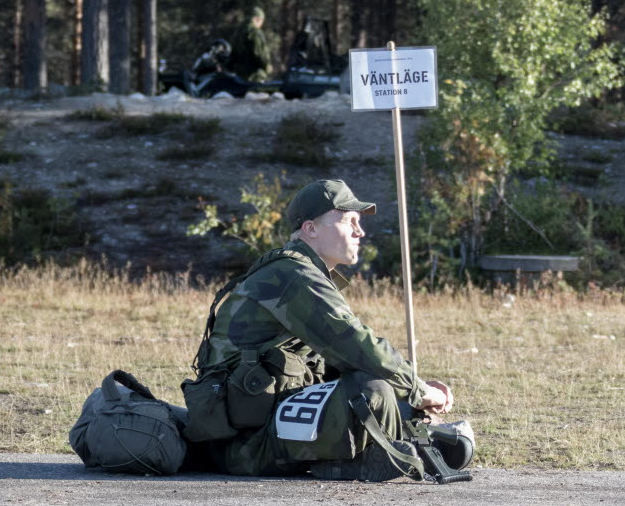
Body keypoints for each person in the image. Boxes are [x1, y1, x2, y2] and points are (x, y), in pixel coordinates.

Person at [183, 179, 473, 481]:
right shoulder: (293, 276)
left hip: (261, 429)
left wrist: (412, 390)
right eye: (349, 221)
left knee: (387, 391)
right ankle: (359, 459)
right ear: (311, 229)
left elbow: (344, 358)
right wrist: (419, 390)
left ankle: (400, 444)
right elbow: (357, 346)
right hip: (243, 447)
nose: (359, 232)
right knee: (372, 391)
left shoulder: (301, 272)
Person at [229, 6, 275, 83]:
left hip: (239, 78)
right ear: (257, 19)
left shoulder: (238, 32)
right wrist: (267, 67)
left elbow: (232, 55)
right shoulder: (255, 32)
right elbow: (260, 54)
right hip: (254, 78)